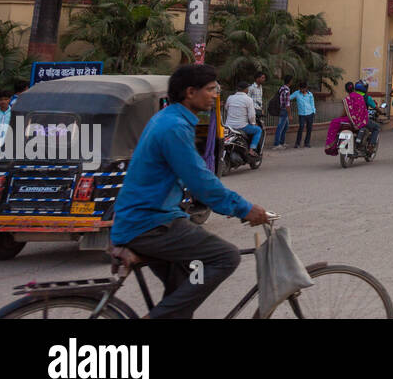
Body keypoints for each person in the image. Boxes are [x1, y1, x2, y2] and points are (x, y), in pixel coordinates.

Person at [111, 64, 271, 318]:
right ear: (190, 92)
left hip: (148, 218)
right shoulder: (174, 128)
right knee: (226, 257)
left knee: (186, 284)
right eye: (209, 90)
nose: (214, 95)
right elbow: (201, 182)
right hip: (150, 223)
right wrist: (244, 208)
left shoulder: (168, 118)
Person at [324, 84, 371, 155]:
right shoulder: (360, 97)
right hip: (360, 120)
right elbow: (363, 110)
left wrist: (341, 117)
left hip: (349, 120)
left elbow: (345, 112)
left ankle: (331, 145)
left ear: (346, 90)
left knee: (334, 122)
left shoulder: (347, 99)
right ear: (354, 89)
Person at [225, 83, 262, 152]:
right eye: (247, 88)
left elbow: (226, 108)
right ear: (245, 89)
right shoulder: (248, 99)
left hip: (228, 126)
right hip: (242, 126)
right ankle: (252, 149)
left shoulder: (230, 97)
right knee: (258, 130)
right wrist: (253, 123)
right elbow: (251, 115)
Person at [272, 78, 292, 150]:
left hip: (281, 109)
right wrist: (289, 114)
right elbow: (287, 104)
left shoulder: (282, 88)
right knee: (280, 127)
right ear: (290, 81)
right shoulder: (286, 91)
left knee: (285, 126)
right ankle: (277, 144)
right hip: (284, 110)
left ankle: (282, 142)